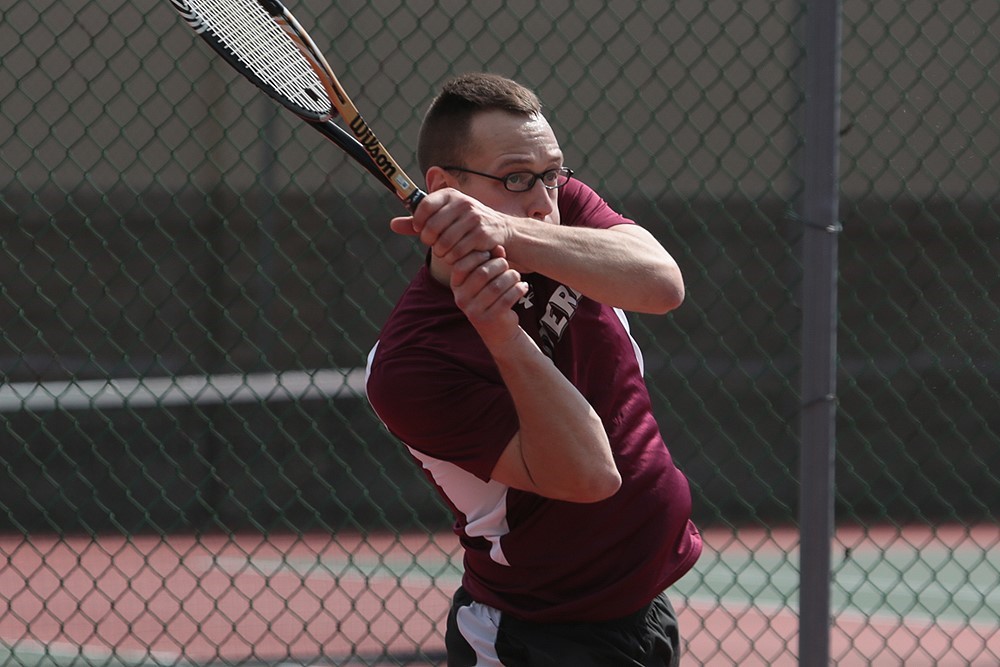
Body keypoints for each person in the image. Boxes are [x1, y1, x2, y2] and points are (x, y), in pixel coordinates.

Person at [364, 72, 702, 666]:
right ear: (444, 186)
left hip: (643, 611)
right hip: (536, 637)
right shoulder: (412, 365)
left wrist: (511, 229)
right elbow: (589, 477)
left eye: (553, 173)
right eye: (517, 178)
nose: (544, 198)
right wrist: (500, 331)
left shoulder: (552, 211)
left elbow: (662, 282)